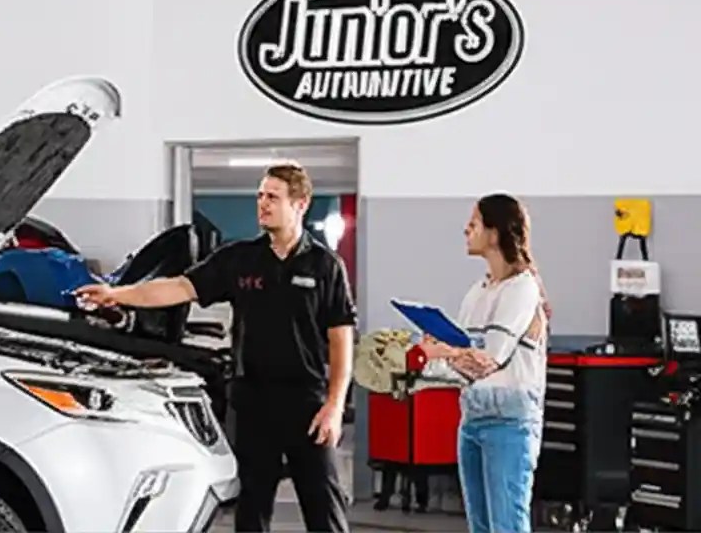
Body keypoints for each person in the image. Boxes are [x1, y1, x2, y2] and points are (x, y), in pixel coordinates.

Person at [75, 161, 356, 532]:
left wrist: (334, 406)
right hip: (251, 400)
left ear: (300, 204)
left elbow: (341, 343)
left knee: (324, 508)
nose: (262, 204)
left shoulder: (326, 266)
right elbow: (178, 288)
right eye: (260, 195)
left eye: (272, 197)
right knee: (251, 508)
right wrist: (117, 294)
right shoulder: (239, 259)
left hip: (306, 400)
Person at [417, 193, 551, 533]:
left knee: (505, 526)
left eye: (474, 223)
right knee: (480, 527)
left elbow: (488, 361)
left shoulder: (522, 289)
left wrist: (443, 352)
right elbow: (464, 362)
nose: (466, 229)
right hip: (473, 420)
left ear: (495, 233)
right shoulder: (478, 291)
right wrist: (422, 367)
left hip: (509, 425)